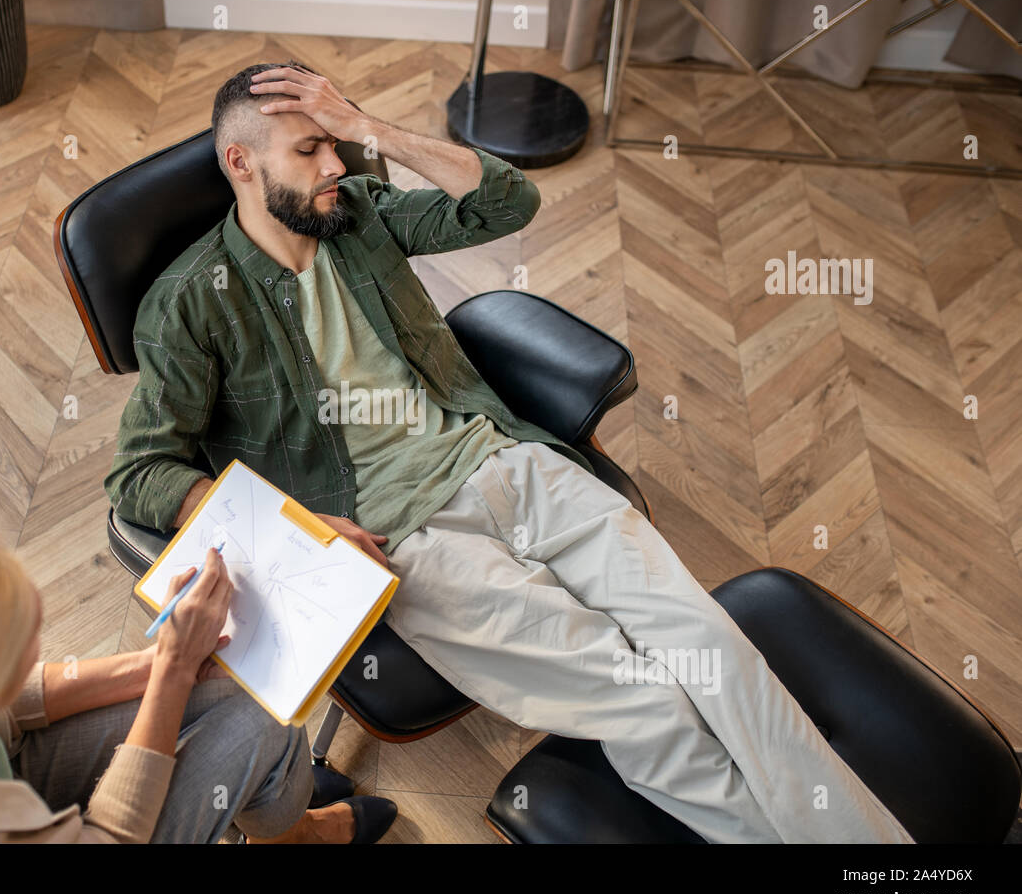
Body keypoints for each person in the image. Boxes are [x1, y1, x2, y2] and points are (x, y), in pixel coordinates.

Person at [104, 60, 915, 843]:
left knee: (712, 648)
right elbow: (141, 473)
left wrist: (367, 126)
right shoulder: (191, 304)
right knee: (645, 704)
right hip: (404, 539)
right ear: (240, 162)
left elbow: (506, 202)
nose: (333, 164)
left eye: (334, 143)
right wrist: (297, 527)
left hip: (506, 461)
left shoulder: (357, 211)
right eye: (308, 149)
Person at [0, 516, 396, 843]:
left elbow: (18, 703)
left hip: (2, 768)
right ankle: (296, 824)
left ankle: (283, 808)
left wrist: (159, 663)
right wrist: (169, 672)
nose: (36, 653)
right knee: (262, 724)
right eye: (24, 645)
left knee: (241, 689)